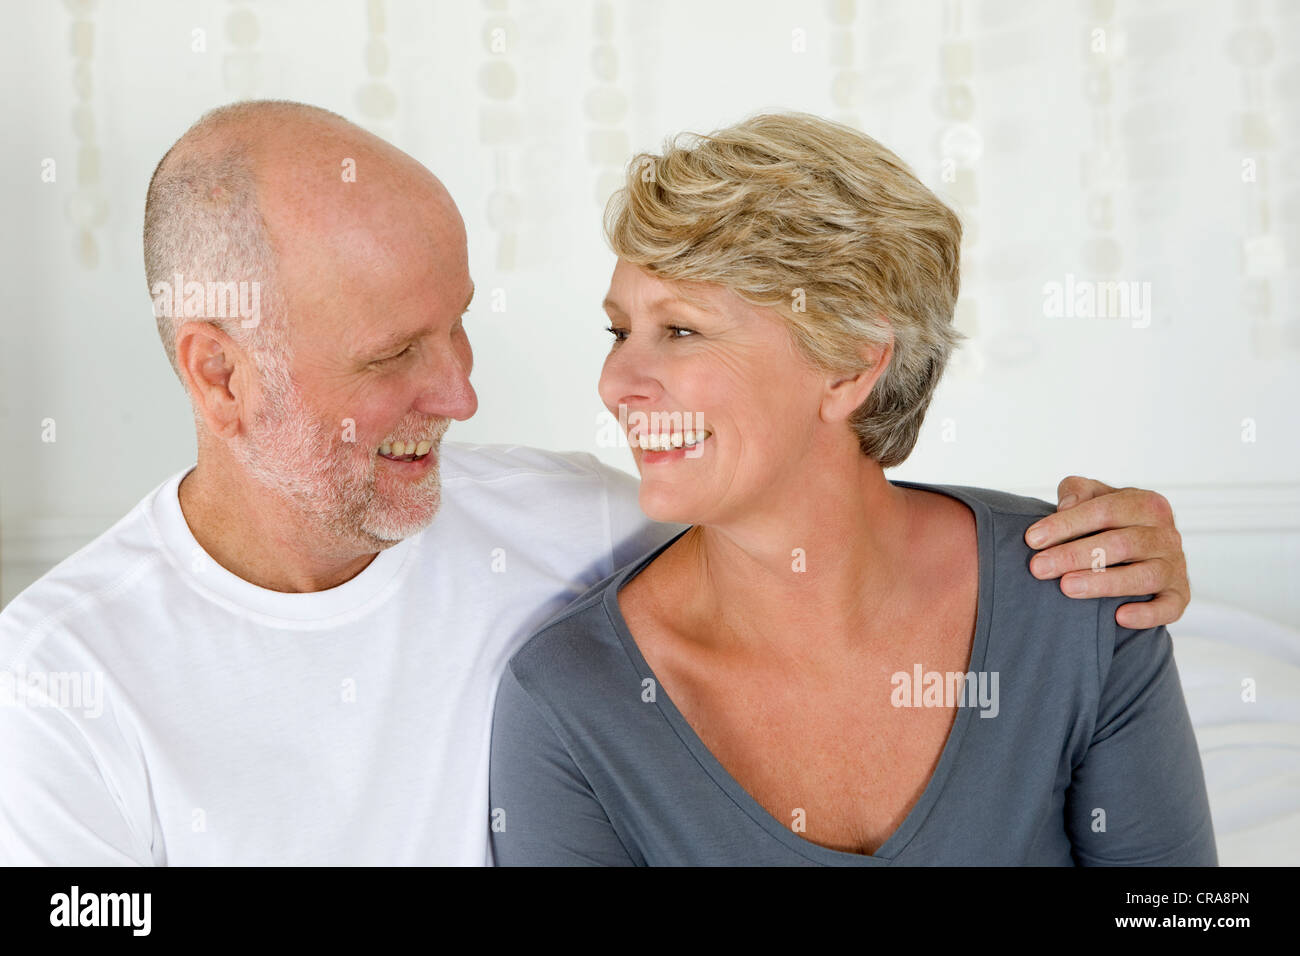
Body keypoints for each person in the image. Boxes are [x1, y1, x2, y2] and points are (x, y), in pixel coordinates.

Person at [0, 102, 1191, 866]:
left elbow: (807, 496)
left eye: (456, 329)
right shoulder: (58, 684)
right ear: (220, 374)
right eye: (393, 356)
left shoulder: (581, 523)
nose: (463, 396)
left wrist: (1110, 547)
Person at [488, 112, 1216, 865]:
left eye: (680, 331)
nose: (616, 384)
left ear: (851, 365)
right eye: (618, 332)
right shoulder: (571, 697)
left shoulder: (1079, 592)